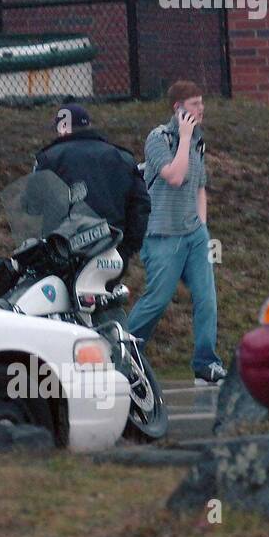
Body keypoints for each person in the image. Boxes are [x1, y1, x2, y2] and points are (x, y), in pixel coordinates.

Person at [125, 80, 226, 386]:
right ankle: (124, 353)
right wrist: (183, 137)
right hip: (161, 233)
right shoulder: (159, 138)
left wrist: (203, 226)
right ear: (178, 109)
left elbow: (198, 186)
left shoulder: (198, 140)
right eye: (194, 104)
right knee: (158, 298)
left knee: (206, 297)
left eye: (201, 103)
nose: (201, 108)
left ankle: (206, 362)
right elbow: (175, 176)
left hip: (193, 233)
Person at [33, 103, 150, 267]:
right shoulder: (122, 157)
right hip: (111, 251)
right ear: (87, 125)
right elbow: (140, 205)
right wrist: (127, 248)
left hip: (65, 250)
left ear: (63, 128)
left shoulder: (49, 158)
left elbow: (33, 206)